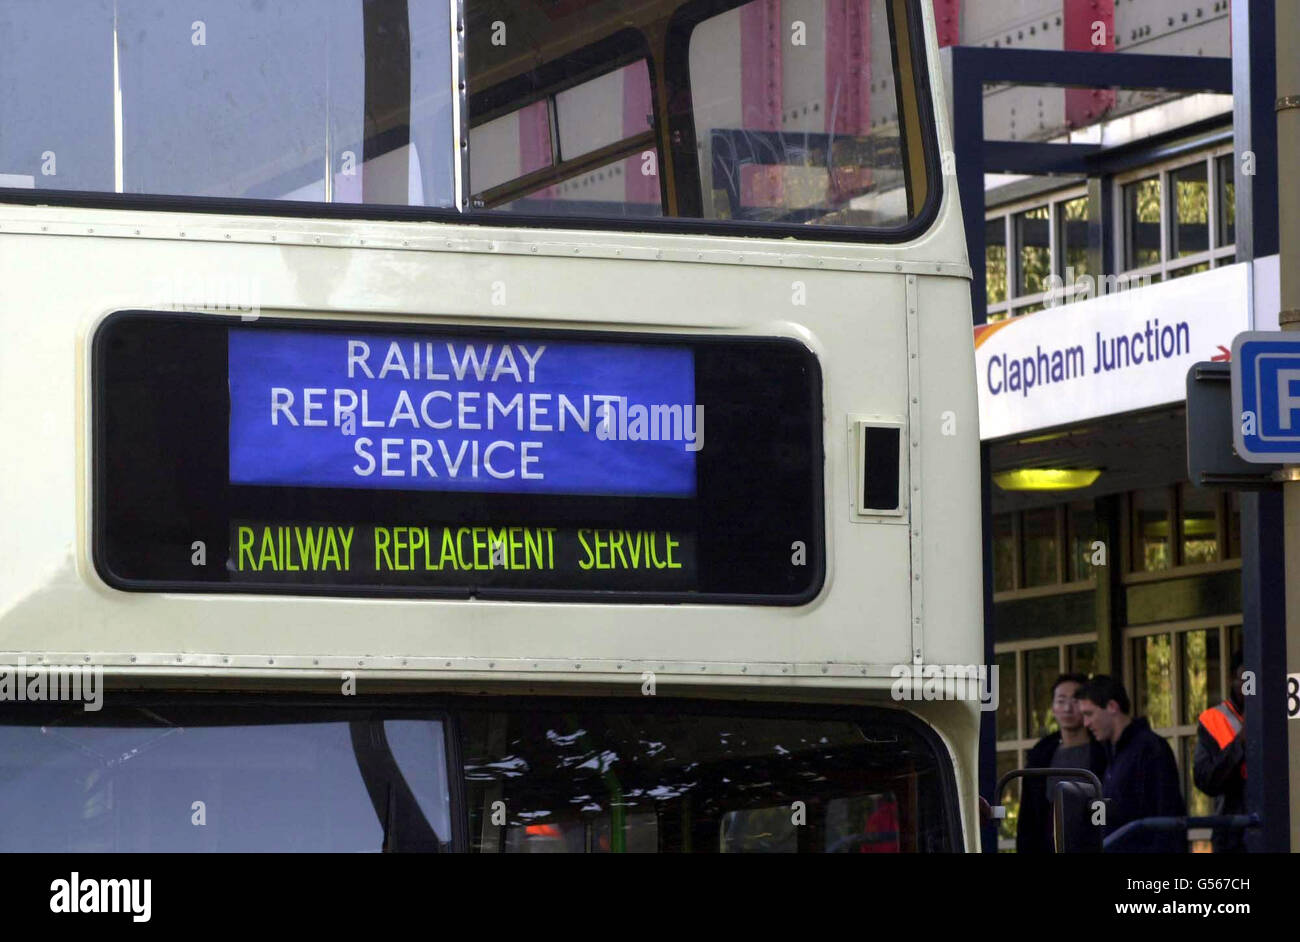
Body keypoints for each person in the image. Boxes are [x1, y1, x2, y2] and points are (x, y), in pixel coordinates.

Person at [1076, 674, 1186, 853]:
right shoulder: (1111, 753)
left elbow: (1167, 815)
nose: (1086, 723)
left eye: (1089, 714)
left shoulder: (1149, 748)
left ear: (1112, 706)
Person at [1016, 673, 1108, 853]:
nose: (1067, 708)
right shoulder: (1041, 753)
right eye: (1060, 700)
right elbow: (1029, 816)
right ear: (1053, 707)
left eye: (1075, 701)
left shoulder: (1103, 750)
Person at [1193, 652, 1247, 853]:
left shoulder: (1277, 712)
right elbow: (1204, 779)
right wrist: (1239, 744)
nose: (1250, 687)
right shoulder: (1214, 719)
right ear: (1232, 679)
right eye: (1245, 679)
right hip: (1231, 833)